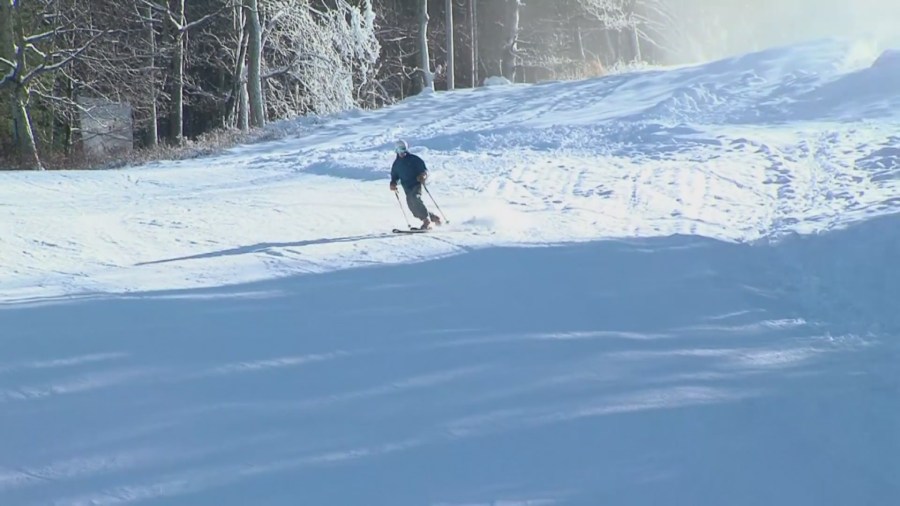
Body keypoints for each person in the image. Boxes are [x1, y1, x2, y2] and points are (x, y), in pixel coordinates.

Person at [389, 139, 442, 229]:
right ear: (396, 151)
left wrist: (423, 176)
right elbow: (395, 176)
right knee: (412, 205)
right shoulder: (396, 164)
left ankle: (426, 221)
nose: (402, 152)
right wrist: (393, 183)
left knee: (415, 198)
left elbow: (424, 170)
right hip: (406, 187)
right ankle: (433, 217)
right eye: (399, 150)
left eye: (403, 149)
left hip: (416, 184)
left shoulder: (414, 159)